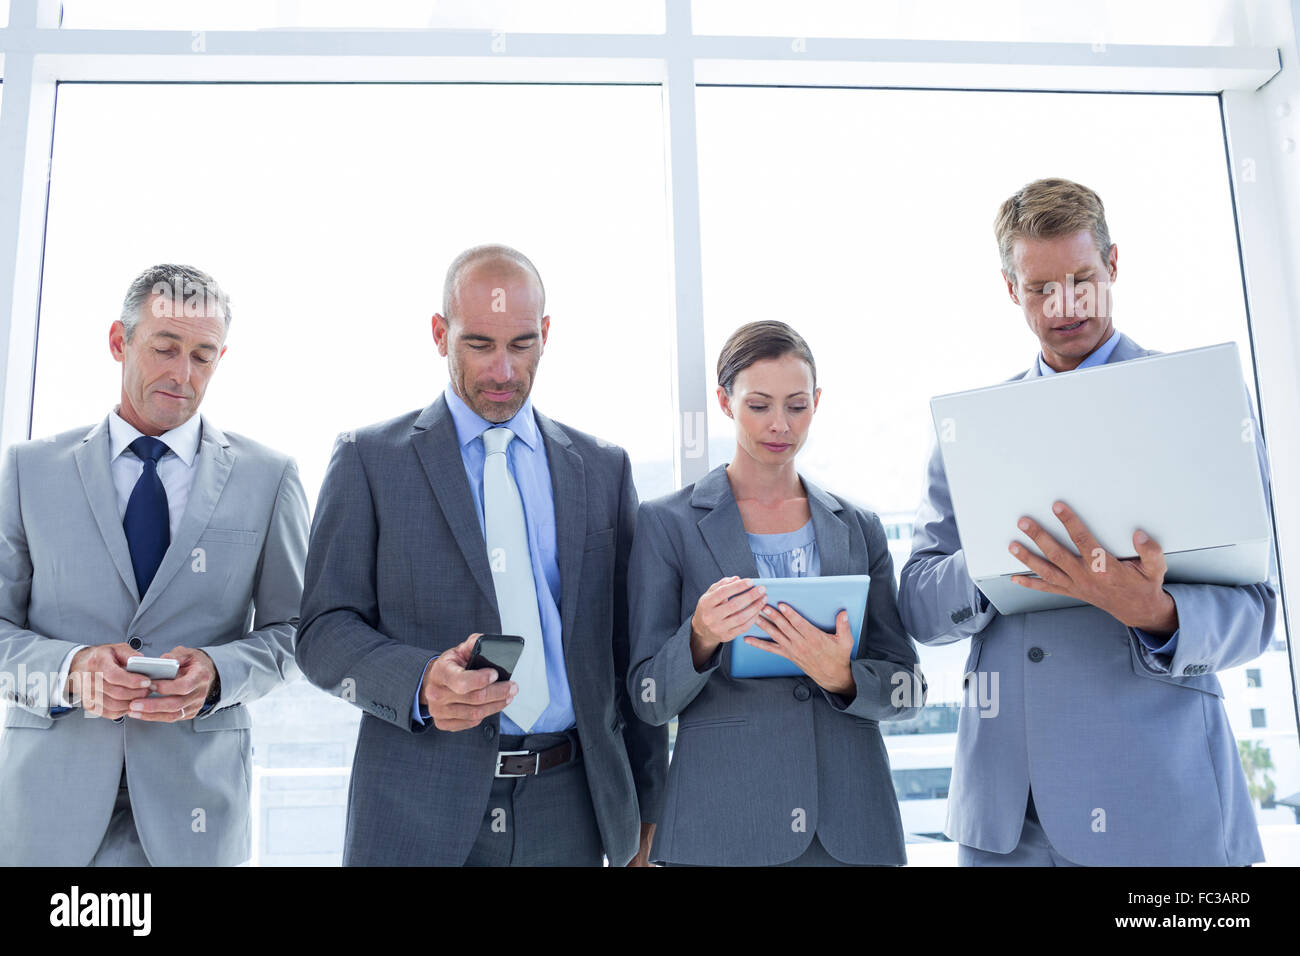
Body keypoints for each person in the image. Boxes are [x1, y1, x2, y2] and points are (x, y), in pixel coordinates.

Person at [899, 177, 1278, 866]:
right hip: (1010, 822)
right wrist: (996, 559)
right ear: (1011, 290)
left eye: (1081, 278)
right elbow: (920, 606)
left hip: (1159, 804)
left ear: (1113, 267)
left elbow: (1257, 611)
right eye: (1040, 287)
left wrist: (1158, 611)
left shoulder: (1199, 404)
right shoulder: (971, 429)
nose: (1064, 304)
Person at [295, 244, 667, 866]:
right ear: (440, 335)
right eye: (479, 345)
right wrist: (418, 682)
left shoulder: (602, 469)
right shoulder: (370, 460)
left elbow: (634, 649)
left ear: (546, 335)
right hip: (417, 808)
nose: (502, 370)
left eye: (522, 345)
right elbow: (322, 634)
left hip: (573, 806)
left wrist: (650, 806)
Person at [0, 264, 309, 866]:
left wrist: (217, 673)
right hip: (46, 811)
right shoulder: (29, 471)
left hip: (195, 810)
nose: (182, 374)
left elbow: (297, 632)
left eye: (203, 355)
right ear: (119, 342)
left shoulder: (268, 478)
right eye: (165, 348)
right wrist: (71, 669)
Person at [627, 320, 925, 866]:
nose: (780, 425)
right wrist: (699, 637)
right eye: (759, 405)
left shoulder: (859, 526)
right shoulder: (666, 524)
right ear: (724, 401)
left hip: (850, 829)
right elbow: (647, 700)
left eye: (797, 405)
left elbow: (908, 687)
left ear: (817, 403)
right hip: (723, 827)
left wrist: (842, 676)